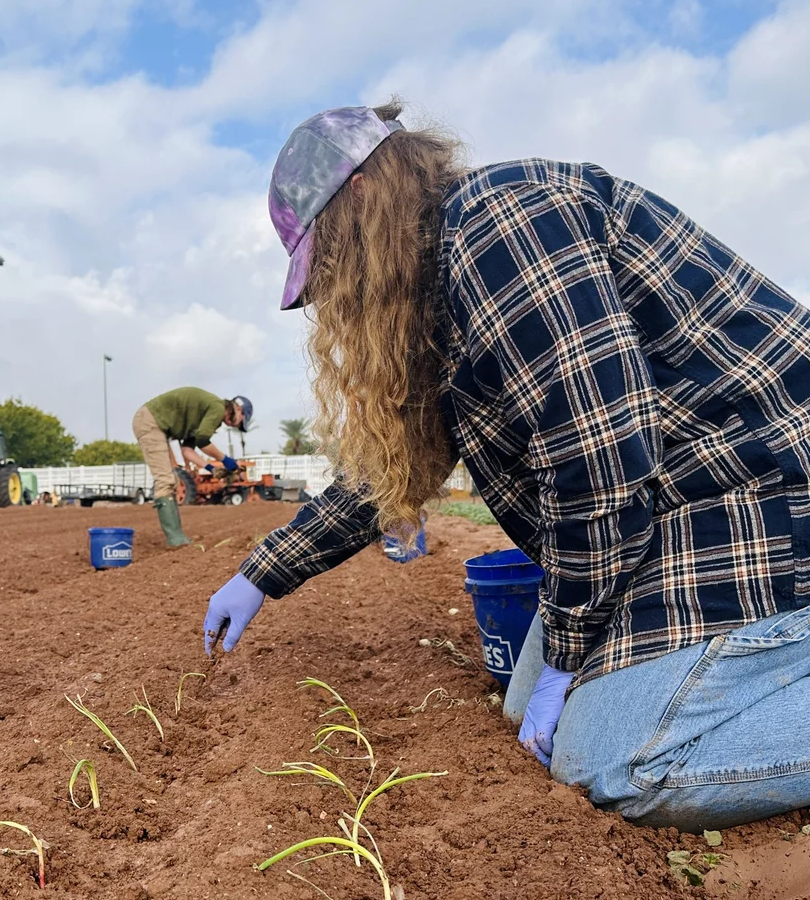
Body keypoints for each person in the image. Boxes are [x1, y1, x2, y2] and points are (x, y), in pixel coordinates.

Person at [203, 101, 810, 832]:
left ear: (362, 196)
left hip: (761, 494)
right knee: (527, 709)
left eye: (327, 255)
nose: (332, 286)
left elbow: (601, 459)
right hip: (676, 509)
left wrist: (567, 648)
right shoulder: (441, 295)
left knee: (603, 760)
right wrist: (264, 569)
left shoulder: (501, 227)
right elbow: (394, 468)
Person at [134, 388, 253, 547]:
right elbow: (203, 440)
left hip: (155, 424)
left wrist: (211, 468)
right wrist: (226, 460)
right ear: (238, 409)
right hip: (151, 422)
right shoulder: (217, 408)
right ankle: (175, 539)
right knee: (165, 480)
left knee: (173, 480)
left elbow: (187, 450)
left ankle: (177, 536)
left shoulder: (209, 414)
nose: (237, 426)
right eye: (241, 421)